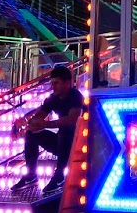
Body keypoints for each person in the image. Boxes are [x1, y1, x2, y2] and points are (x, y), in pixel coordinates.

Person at [9, 65, 84, 195]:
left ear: (67, 83)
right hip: (62, 143)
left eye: (56, 83)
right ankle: (31, 175)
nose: (53, 87)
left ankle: (60, 175)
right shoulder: (52, 98)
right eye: (52, 83)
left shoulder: (75, 96)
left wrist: (45, 124)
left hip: (80, 144)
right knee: (31, 134)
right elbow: (39, 117)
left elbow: (72, 119)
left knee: (66, 130)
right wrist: (28, 123)